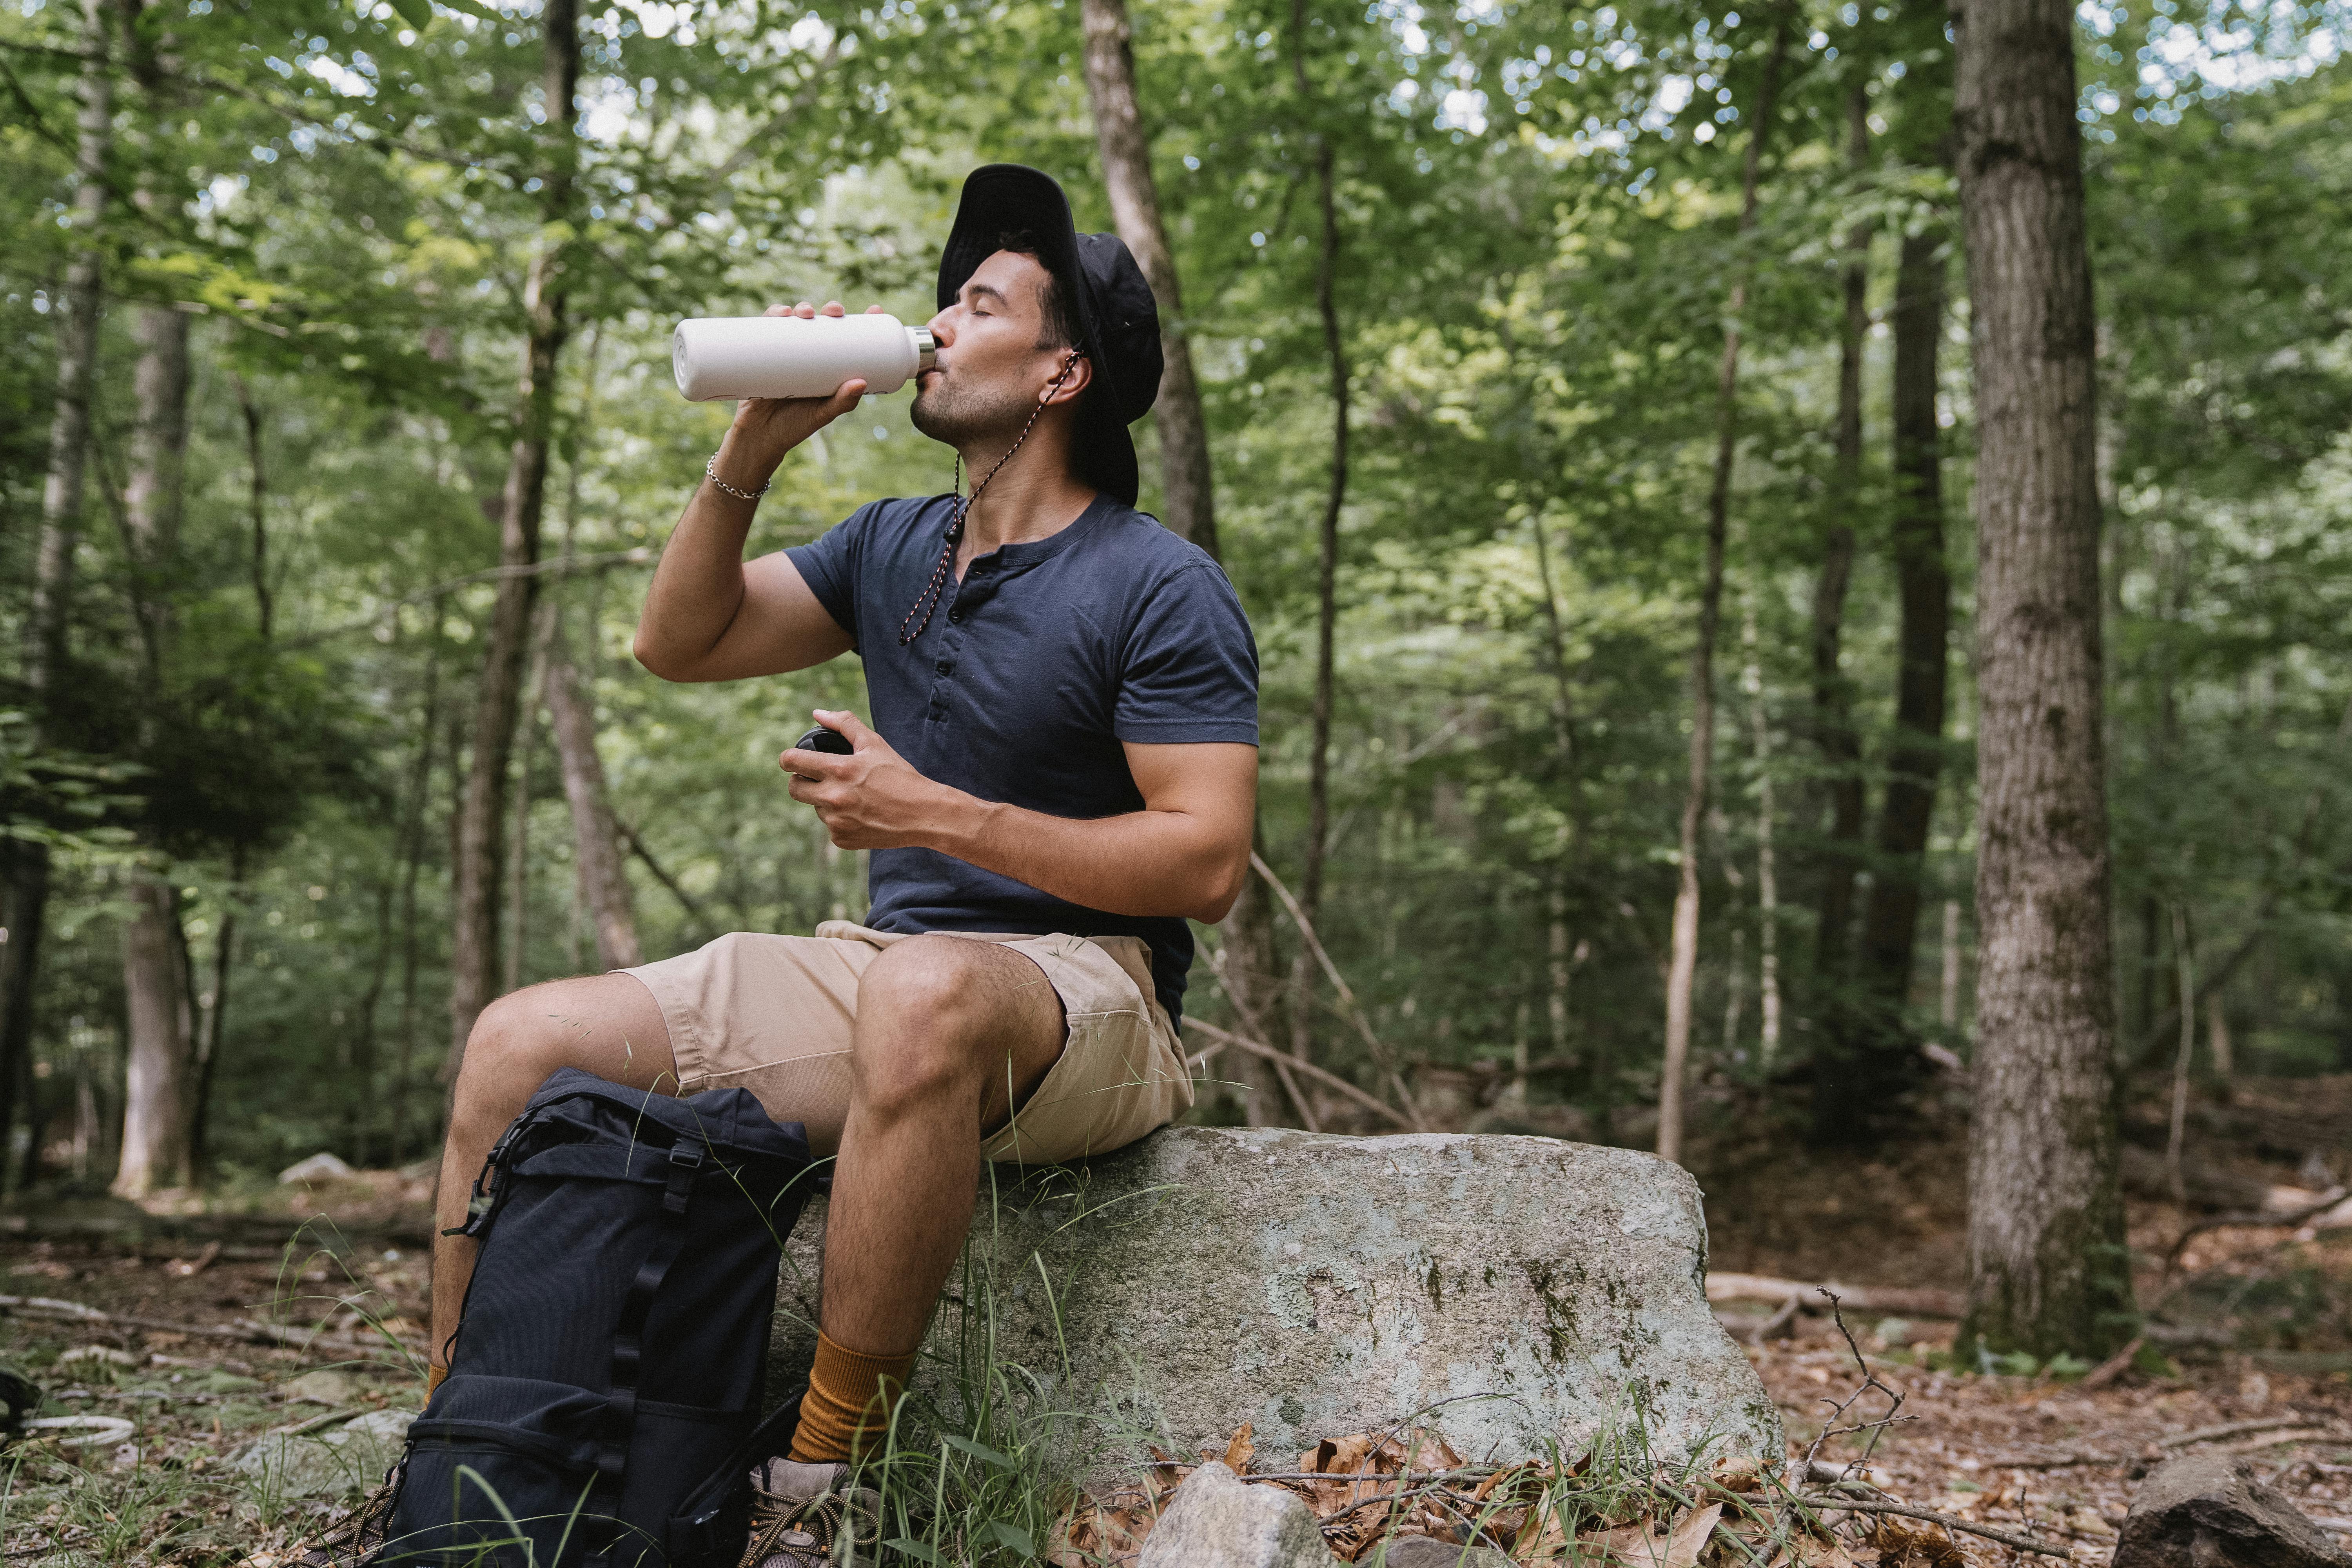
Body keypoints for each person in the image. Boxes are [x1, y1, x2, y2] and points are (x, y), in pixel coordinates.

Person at [424, 164, 1259, 1566]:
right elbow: (678, 642)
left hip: (1090, 992)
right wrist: (751, 451)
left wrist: (932, 815)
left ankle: (824, 1488)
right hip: (885, 980)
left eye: (978, 302)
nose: (938, 321)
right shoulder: (896, 544)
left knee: (926, 995)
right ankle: (460, 1432)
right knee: (520, 1044)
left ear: (1063, 371)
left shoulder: (1156, 582)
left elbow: (1208, 861)